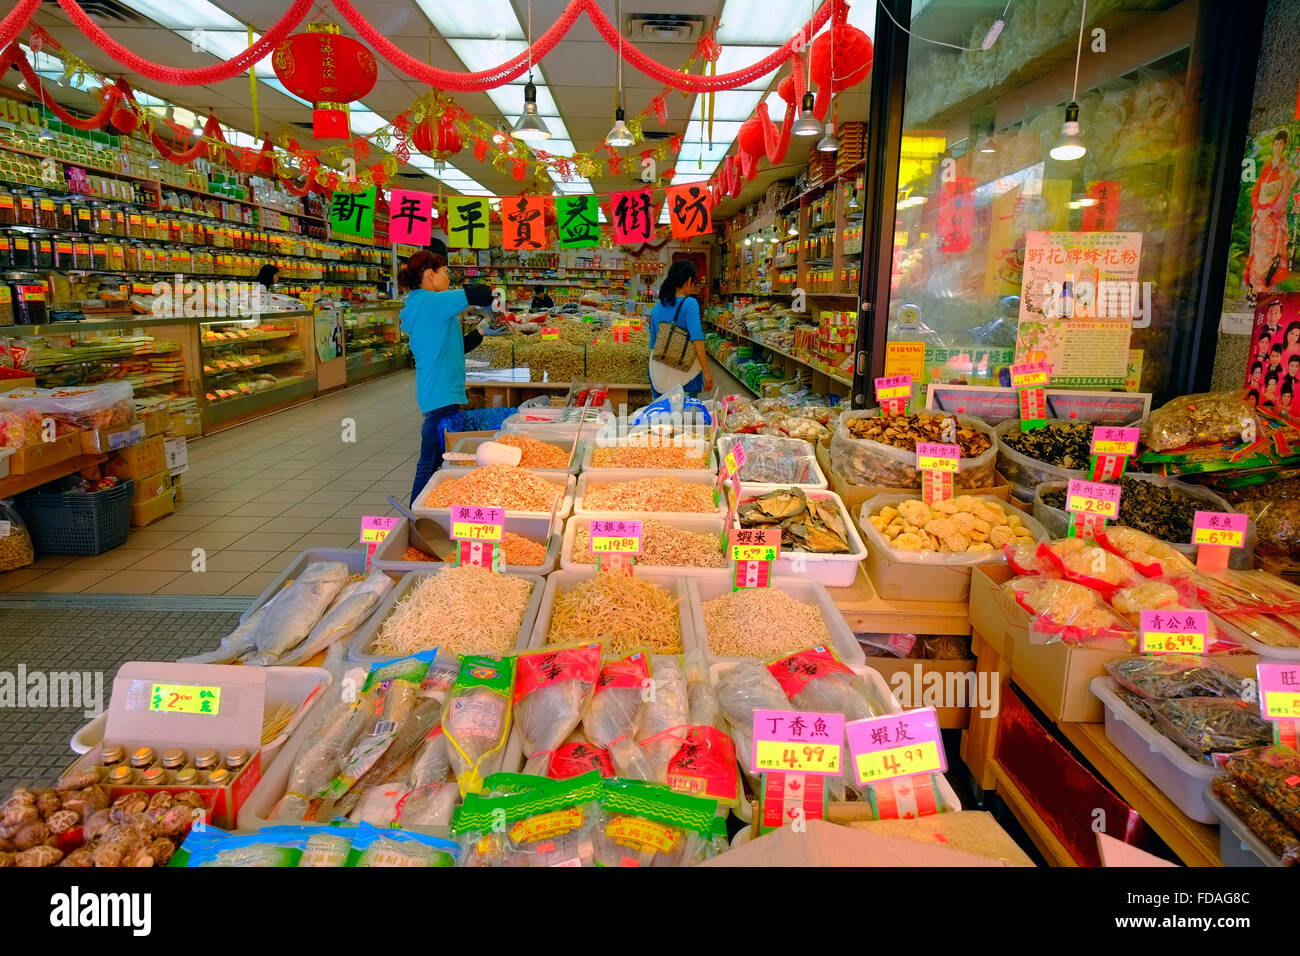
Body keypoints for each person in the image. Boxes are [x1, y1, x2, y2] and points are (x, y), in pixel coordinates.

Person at [399, 249, 494, 506]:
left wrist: (483, 333)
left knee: (441, 461)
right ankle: (415, 518)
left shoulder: (423, 305)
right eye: (445, 272)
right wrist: (494, 302)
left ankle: (430, 512)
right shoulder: (430, 301)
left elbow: (455, 347)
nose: (448, 278)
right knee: (430, 462)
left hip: (441, 394)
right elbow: (481, 293)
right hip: (440, 395)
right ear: (430, 274)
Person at [647, 259, 713, 398]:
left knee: (662, 416)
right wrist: (706, 371)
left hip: (659, 375)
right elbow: (697, 338)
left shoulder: (658, 306)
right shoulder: (690, 303)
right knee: (685, 416)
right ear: (689, 281)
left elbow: (653, 344)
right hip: (684, 376)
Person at [1246, 130, 1295, 298]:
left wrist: (1270, 210)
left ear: (1285, 146)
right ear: (1273, 145)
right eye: (1276, 144)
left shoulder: (1286, 168)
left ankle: (1261, 292)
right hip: (1260, 216)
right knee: (1257, 257)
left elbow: (1285, 193)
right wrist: (1258, 208)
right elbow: (1256, 191)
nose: (1278, 147)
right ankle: (1254, 290)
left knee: (1267, 258)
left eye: (1281, 144)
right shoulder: (1267, 167)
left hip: (1273, 218)